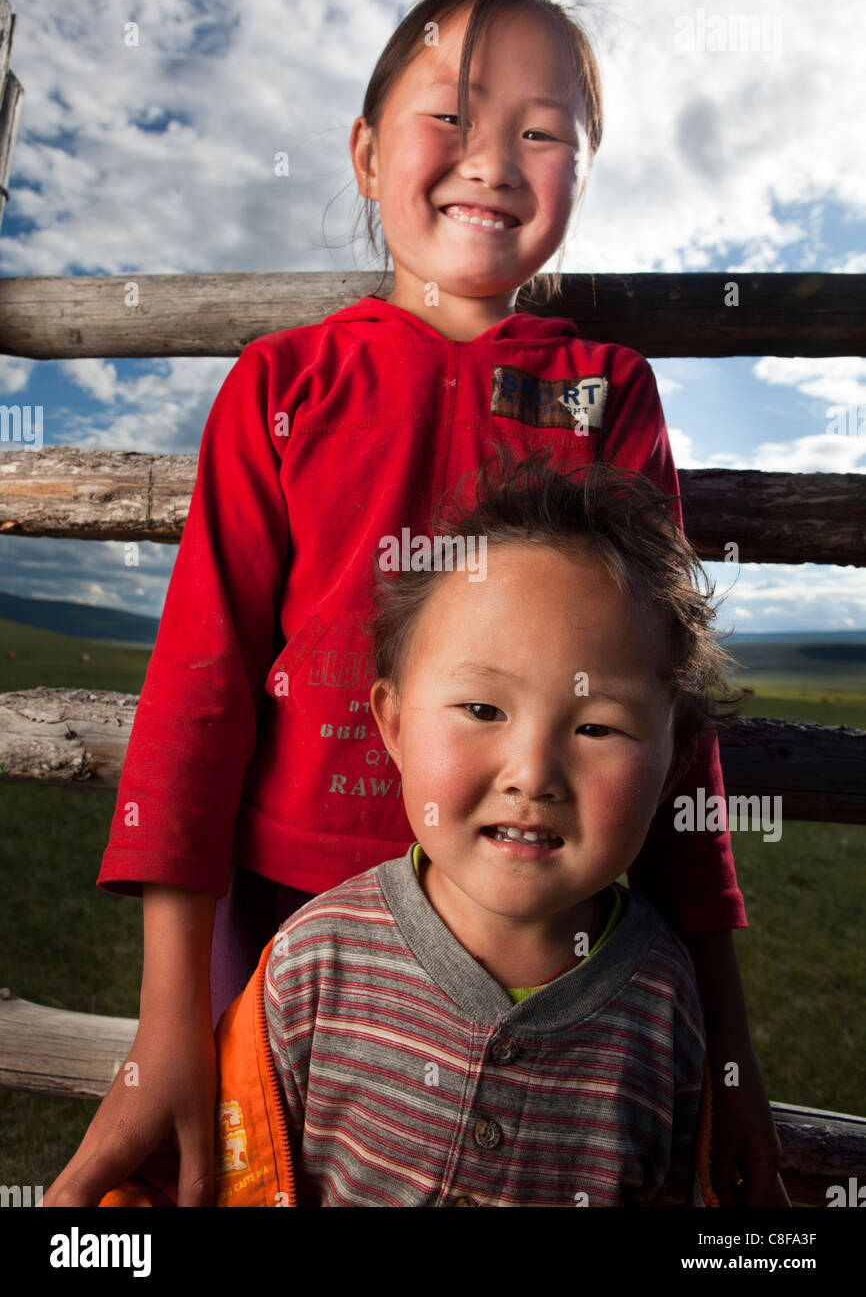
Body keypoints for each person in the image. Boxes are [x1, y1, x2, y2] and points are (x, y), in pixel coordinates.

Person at [42, 0, 787, 1209]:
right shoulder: (282, 385)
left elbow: (667, 706)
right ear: (363, 148)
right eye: (450, 115)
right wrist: (164, 1024)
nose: (492, 160)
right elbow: (197, 694)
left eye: (544, 133)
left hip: (549, 919)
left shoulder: (609, 389)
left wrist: (720, 1040)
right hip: (283, 913)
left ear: (585, 175)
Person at [100, 454, 737, 1207]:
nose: (532, 774)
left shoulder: (668, 1004)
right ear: (394, 725)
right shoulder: (311, 966)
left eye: (598, 726)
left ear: (671, 770)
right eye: (482, 710)